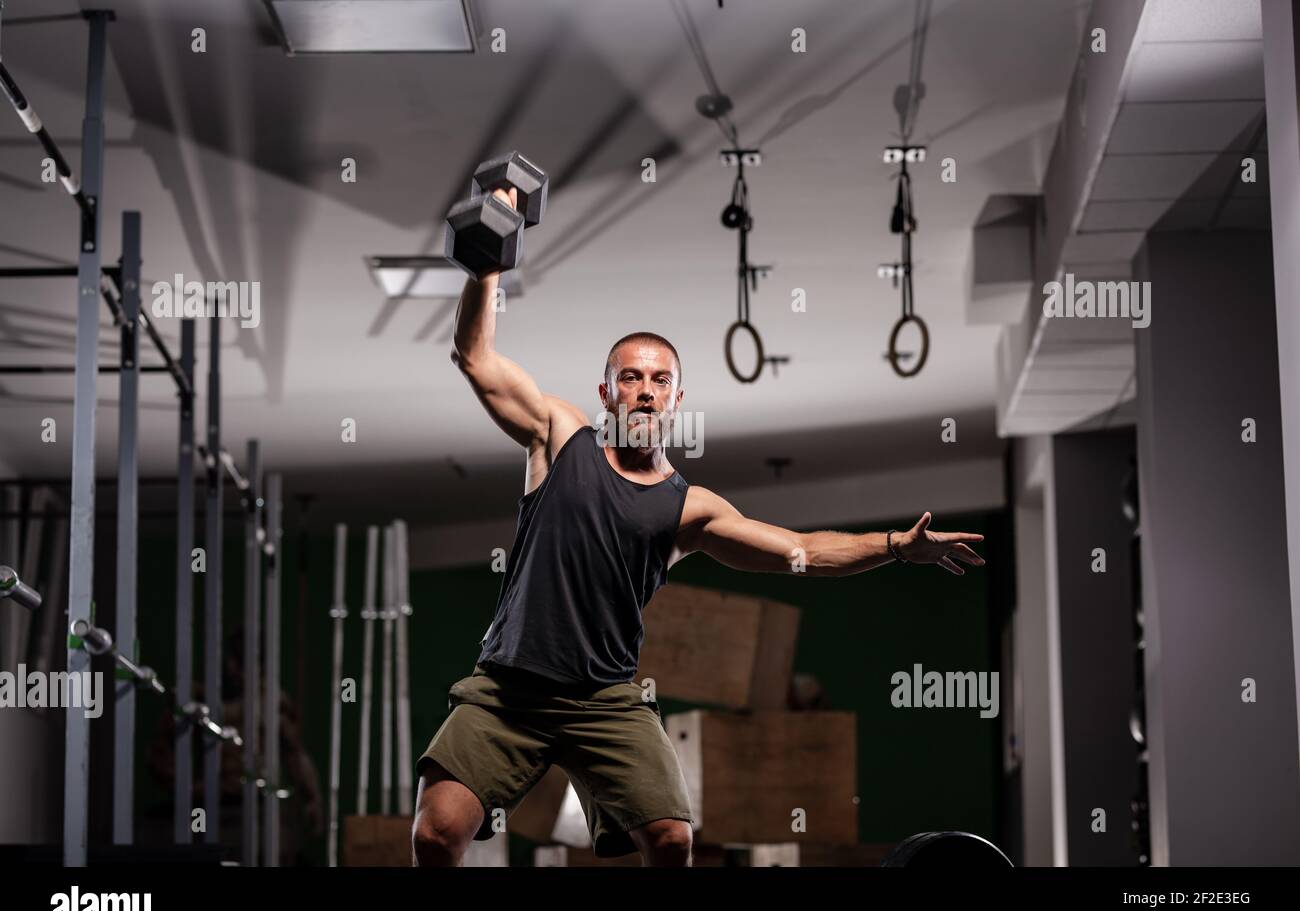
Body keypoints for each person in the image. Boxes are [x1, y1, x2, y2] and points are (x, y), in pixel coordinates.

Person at [413, 187, 985, 868]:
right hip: (509, 689)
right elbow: (476, 358)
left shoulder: (691, 509)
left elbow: (802, 551)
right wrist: (488, 264)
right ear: (607, 393)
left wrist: (895, 546)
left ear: (678, 398)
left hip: (606, 701)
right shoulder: (557, 438)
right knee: (433, 832)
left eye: (660, 379)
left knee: (673, 840)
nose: (646, 389)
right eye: (630, 378)